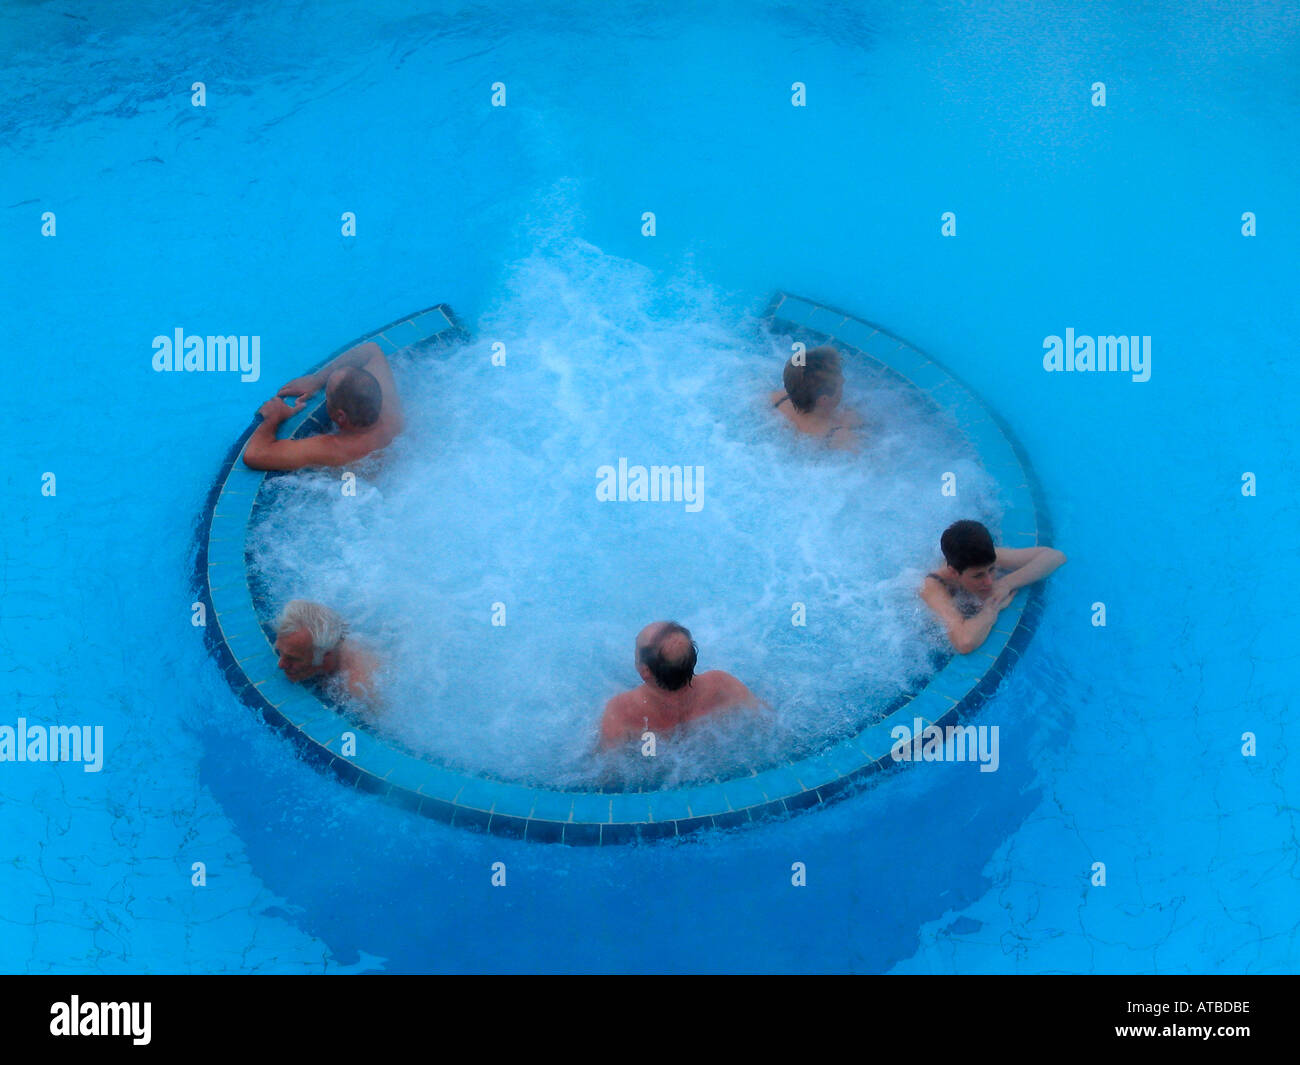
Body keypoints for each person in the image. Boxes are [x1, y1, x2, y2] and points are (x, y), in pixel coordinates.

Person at [243, 340, 404, 470]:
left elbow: (255, 455)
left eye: (327, 396)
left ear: (340, 416)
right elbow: (371, 350)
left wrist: (273, 417)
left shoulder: (334, 450)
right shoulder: (391, 412)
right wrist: (317, 380)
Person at [599, 621, 759, 750]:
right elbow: (767, 722)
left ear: (644, 671)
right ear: (693, 660)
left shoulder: (621, 712)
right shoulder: (723, 686)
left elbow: (606, 774)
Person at [919, 519, 1066, 654]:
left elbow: (1055, 557)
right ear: (954, 572)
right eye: (978, 576)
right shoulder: (933, 586)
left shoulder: (984, 557)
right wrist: (992, 608)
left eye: (992, 570)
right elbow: (964, 642)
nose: (989, 582)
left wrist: (1006, 583)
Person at [273, 599, 379, 703]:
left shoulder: (360, 688)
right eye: (280, 652)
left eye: (293, 658)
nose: (281, 664)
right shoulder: (295, 640)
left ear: (326, 656)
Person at [769, 345, 862, 450]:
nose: (844, 380)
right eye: (840, 384)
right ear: (824, 399)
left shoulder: (777, 399)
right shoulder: (839, 437)